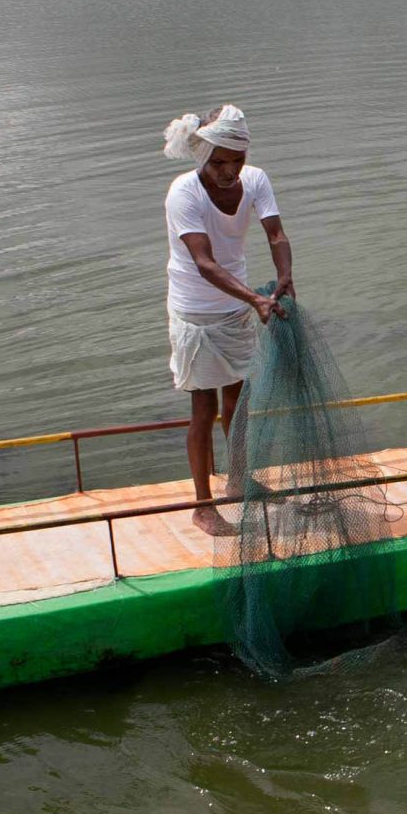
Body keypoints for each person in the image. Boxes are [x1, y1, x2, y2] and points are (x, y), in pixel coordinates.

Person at [163, 105, 293, 536]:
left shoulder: (255, 180)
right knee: (204, 408)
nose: (230, 171)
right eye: (219, 162)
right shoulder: (184, 193)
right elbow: (203, 262)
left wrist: (285, 277)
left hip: (237, 305)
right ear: (202, 157)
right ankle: (202, 506)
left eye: (236, 160)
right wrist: (256, 298)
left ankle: (237, 480)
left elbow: (275, 233)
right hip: (197, 312)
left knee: (239, 404)